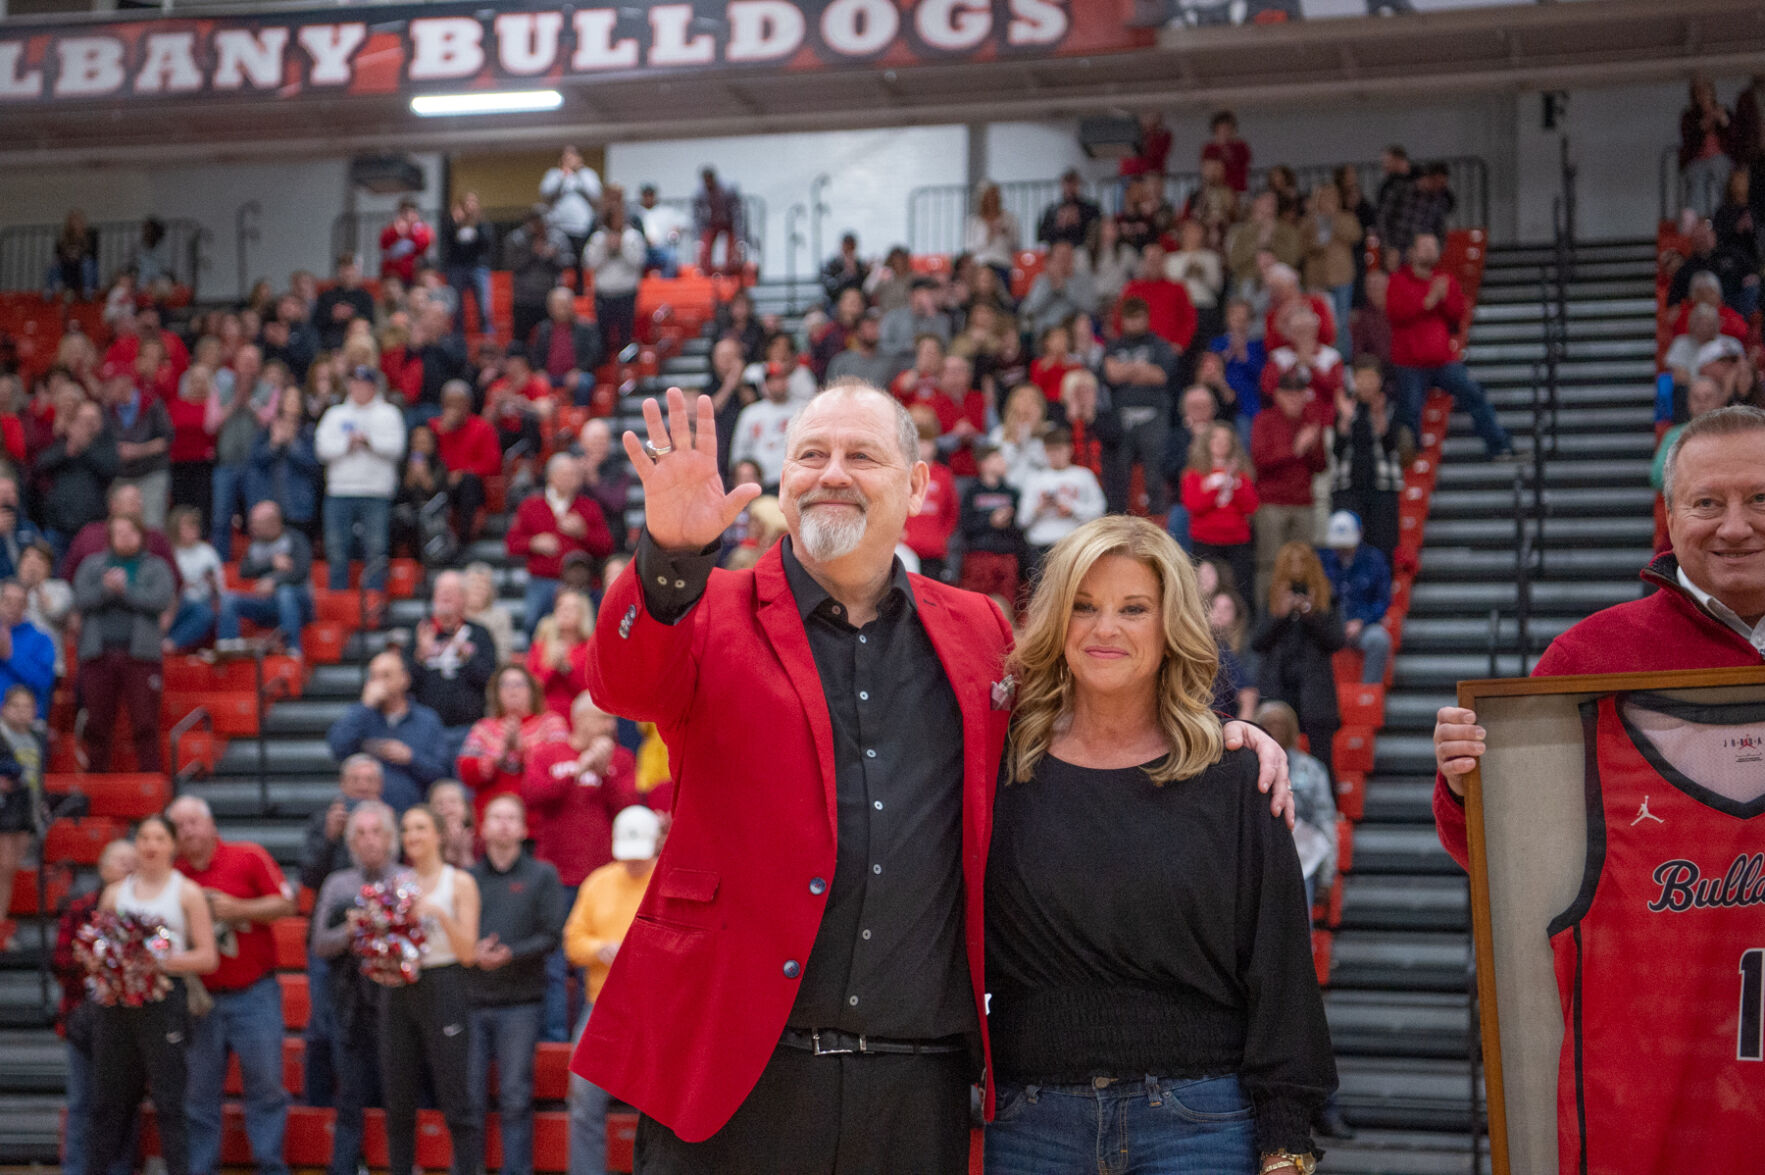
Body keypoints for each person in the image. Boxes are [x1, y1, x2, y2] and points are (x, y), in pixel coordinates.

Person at [575, 383, 1294, 1170]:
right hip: (732, 1069)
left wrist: (1207, 728)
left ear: (917, 486)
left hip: (916, 1084)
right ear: (782, 480)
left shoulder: (978, 626)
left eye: (861, 455)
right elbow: (623, 683)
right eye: (810, 454)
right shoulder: (705, 605)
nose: (832, 472)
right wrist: (667, 560)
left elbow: (1079, 714)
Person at [984, 515, 1332, 1175]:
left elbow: (1280, 965)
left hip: (1198, 1124)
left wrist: (1286, 1145)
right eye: (1083, 606)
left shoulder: (1236, 777)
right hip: (1026, 1124)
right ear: (1056, 621)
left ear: (1169, 625)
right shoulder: (997, 767)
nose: (1104, 627)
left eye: (1132, 608)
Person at [1432, 405, 1765, 869]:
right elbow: (1510, 864)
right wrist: (1465, 785)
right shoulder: (1586, 659)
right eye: (1706, 503)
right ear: (1669, 517)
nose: (1734, 527)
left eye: (1760, 499)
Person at [167, 795, 297, 1175]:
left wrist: (237, 910)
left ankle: (270, 1164)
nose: (188, 830)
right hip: (199, 998)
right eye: (180, 825)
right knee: (198, 1095)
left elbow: (285, 905)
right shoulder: (173, 876)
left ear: (211, 825)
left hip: (254, 993)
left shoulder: (248, 856)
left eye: (194, 821)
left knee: (267, 1087)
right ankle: (199, 1167)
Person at [86, 814, 219, 1175]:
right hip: (117, 1004)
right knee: (108, 1102)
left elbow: (207, 957)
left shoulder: (187, 892)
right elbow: (100, 949)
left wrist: (155, 962)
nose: (150, 845)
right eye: (144, 837)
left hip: (164, 1001)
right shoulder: (115, 892)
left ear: (172, 845)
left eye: (159, 838)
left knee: (170, 1103)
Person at [380, 804, 483, 1175]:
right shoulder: (395, 884)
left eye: (421, 827)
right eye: (407, 829)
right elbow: (386, 948)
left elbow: (469, 953)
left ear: (439, 835)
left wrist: (436, 913)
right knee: (398, 1103)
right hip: (399, 989)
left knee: (457, 1102)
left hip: (445, 985)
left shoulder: (459, 883)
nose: (413, 836)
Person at [467, 795, 566, 1175]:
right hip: (472, 1000)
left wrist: (510, 953)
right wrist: (471, 950)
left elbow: (551, 935)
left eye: (512, 818)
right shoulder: (468, 878)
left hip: (521, 1002)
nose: (505, 824)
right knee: (471, 1100)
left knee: (514, 1098)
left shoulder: (542, 875)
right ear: (484, 826)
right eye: (497, 817)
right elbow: (454, 933)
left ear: (524, 829)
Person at [309, 801, 407, 1175]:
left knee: (401, 1095)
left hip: (399, 1004)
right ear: (350, 843)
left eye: (376, 832)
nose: (369, 841)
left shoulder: (407, 881)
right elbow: (320, 943)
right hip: (350, 1005)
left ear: (391, 838)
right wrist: (352, 931)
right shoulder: (338, 884)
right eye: (360, 833)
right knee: (349, 1097)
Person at [564, 805, 663, 1175]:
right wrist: (598, 949)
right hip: (602, 1004)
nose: (634, 863)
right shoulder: (598, 882)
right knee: (583, 1098)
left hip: (656, 1008)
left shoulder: (667, 880)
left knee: (658, 1105)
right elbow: (573, 941)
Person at [1386, 233, 1513, 456]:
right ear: (1412, 252)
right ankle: (1410, 458)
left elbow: (1456, 314)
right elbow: (1396, 314)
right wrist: (1429, 300)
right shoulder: (1398, 281)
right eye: (1424, 246)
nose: (1430, 251)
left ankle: (1499, 445)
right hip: (1410, 362)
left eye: (1433, 246)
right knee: (1410, 411)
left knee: (1474, 396)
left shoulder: (1445, 279)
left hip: (1442, 360)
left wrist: (1442, 298)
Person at [55, 837, 139, 1175]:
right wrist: (98, 966)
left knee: (123, 1106)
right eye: (120, 860)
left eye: (133, 860)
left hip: (133, 1021)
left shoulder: (147, 910)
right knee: (82, 1103)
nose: (128, 866)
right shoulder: (82, 908)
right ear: (102, 867)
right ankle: (75, 1169)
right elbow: (61, 962)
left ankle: (118, 1169)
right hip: (86, 1019)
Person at [74, 515, 174, 772]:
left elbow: (160, 600)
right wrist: (106, 590)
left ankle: (151, 784)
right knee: (97, 725)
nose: (125, 537)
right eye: (118, 533)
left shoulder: (156, 566)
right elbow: (81, 599)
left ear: (141, 535)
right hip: (98, 654)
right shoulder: (92, 565)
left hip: (140, 655)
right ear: (109, 537)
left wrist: (124, 590)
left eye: (130, 532)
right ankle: (96, 790)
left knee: (145, 723)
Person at [1253, 542, 1346, 773]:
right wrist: (1281, 617)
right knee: (1271, 760)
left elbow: (1336, 641)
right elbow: (1258, 643)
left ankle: (1327, 807)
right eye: (1290, 563)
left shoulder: (1326, 597)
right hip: (1279, 687)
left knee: (1323, 762)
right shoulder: (1273, 597)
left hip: (1315, 693)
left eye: (1302, 562)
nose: (1296, 568)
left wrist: (1311, 616)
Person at [314, 364, 405, 591]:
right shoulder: (335, 414)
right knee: (336, 548)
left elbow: (397, 447)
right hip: (339, 491)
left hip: (376, 491)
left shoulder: (388, 413)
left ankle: (375, 600)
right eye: (355, 383)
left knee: (376, 548)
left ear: (374, 386)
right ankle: (338, 601)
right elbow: (321, 448)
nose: (359, 388)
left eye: (364, 384)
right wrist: (347, 444)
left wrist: (368, 442)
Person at [326, 651, 449, 812]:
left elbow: (442, 772)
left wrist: (411, 758)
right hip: (364, 817)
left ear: (404, 679)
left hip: (410, 814)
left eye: (386, 676)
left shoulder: (427, 720)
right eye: (374, 677)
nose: (379, 683)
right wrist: (365, 707)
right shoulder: (360, 715)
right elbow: (337, 747)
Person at [507, 453, 615, 637]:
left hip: (580, 583)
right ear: (551, 476)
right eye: (565, 474)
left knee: (588, 631)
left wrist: (583, 533)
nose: (571, 479)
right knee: (533, 627)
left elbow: (607, 546)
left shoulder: (588, 506)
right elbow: (511, 544)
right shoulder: (531, 505)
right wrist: (533, 543)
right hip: (543, 580)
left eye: (574, 474)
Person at [457, 663, 570, 825]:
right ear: (497, 693)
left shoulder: (551, 722)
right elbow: (466, 771)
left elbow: (560, 767)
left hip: (539, 819)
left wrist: (521, 748)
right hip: (491, 819)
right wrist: (499, 756)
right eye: (505, 685)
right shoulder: (484, 727)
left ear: (532, 690)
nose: (512, 690)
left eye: (519, 684)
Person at [405, 571, 499, 762]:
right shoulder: (419, 632)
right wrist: (421, 656)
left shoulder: (479, 634)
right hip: (427, 731)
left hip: (469, 729)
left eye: (452, 591)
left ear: (464, 598)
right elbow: (404, 684)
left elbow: (492, 681)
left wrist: (467, 658)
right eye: (441, 591)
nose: (445, 596)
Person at [1251, 372, 1328, 601]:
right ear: (1278, 395)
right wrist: (1295, 449)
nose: (1295, 398)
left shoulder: (1310, 422)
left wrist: (1312, 447)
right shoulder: (1264, 420)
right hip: (1271, 504)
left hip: (1303, 502)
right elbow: (1260, 460)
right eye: (1289, 393)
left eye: (1299, 393)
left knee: (1305, 564)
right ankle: (1268, 615)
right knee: (1270, 563)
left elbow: (1321, 465)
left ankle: (1303, 614)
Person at [1329, 357, 1413, 565]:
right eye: (1361, 378)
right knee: (1348, 547)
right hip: (1348, 488)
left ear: (1380, 380)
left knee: (1383, 547)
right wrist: (1345, 421)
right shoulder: (1344, 408)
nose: (1366, 383)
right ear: (1354, 380)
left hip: (1382, 488)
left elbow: (1394, 448)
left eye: (1371, 378)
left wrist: (1380, 421)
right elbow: (1336, 451)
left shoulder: (1392, 407)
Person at [1101, 296, 1180, 515]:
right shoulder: (1114, 345)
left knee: (1155, 475)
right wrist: (1142, 369)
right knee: (1119, 477)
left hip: (1153, 414)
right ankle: (1118, 522)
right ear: (1122, 320)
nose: (1134, 323)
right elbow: (1110, 374)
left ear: (1146, 318)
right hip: (1121, 417)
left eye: (1138, 318)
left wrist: (1126, 370)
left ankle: (1157, 523)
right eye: (1130, 318)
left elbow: (1161, 376)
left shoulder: (1159, 345)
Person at [215, 501, 313, 657]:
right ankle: (228, 647)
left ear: (274, 522)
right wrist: (271, 563)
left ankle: (292, 649)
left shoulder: (295, 540)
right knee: (229, 599)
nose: (253, 528)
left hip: (298, 605)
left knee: (285, 592)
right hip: (267, 604)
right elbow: (244, 570)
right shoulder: (256, 545)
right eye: (252, 523)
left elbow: (300, 572)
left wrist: (275, 582)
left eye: (257, 524)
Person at [1181, 422, 1260, 601]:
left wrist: (1233, 483)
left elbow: (1251, 506)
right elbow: (1194, 505)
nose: (1222, 443)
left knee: (1242, 590)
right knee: (1204, 590)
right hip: (1205, 540)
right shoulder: (1193, 473)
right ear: (1207, 442)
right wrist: (1218, 486)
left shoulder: (1242, 474)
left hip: (1237, 541)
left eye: (1226, 439)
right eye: (1217, 438)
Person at [37, 399, 119, 558]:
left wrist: (85, 448)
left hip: (92, 525)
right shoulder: (63, 444)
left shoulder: (106, 444)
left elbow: (109, 469)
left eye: (93, 419)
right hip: (59, 525)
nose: (87, 425)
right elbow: (41, 465)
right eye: (83, 420)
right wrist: (69, 449)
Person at [1319, 511, 1393, 686]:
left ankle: (1368, 693)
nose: (1342, 550)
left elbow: (1382, 600)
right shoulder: (1322, 560)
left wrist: (1362, 621)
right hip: (1328, 627)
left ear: (1359, 535)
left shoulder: (1374, 559)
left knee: (1379, 640)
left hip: (1362, 625)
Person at [1017, 426, 1107, 566]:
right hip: (1041, 546)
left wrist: (1072, 508)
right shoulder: (1034, 479)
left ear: (1069, 449)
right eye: (1050, 451)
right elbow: (1021, 520)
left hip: (1073, 543)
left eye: (1059, 449)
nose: (1055, 455)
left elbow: (1100, 512)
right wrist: (1039, 508)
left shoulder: (1083, 475)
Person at [431, 380, 501, 546]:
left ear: (468, 404)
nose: (454, 407)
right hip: (440, 482)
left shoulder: (482, 428)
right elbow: (427, 458)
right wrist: (442, 433)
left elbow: (492, 463)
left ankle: (463, 540)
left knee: (468, 483)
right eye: (449, 403)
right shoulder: (433, 427)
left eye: (458, 402)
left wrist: (463, 472)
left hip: (471, 487)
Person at [957, 444, 1024, 602]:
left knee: (1007, 603)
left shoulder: (1011, 492)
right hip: (979, 555)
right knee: (977, 603)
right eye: (996, 458)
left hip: (1007, 555)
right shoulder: (971, 492)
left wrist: (1007, 522)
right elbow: (965, 525)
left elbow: (1021, 526)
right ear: (984, 464)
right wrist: (990, 521)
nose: (1002, 462)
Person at [586, 188, 647, 359]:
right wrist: (606, 248)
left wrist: (622, 247)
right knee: (603, 333)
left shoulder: (633, 237)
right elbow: (590, 263)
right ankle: (603, 362)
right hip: (604, 293)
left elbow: (639, 261)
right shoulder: (598, 238)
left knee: (626, 334)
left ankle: (627, 363)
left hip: (627, 292)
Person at [506, 205, 575, 348]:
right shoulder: (516, 238)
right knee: (521, 341)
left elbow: (570, 260)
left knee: (549, 340)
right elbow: (511, 264)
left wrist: (553, 256)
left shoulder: (557, 237)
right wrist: (532, 254)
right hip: (524, 298)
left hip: (550, 298)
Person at [728, 362, 803, 490]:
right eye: (772, 380)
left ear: (788, 381)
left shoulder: (802, 409)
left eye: (781, 379)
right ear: (764, 384)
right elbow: (739, 453)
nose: (777, 384)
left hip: (793, 483)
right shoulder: (751, 413)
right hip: (760, 484)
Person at [542, 146, 603, 291]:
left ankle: (580, 289)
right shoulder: (554, 174)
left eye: (572, 157)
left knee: (580, 260)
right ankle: (559, 288)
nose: (569, 160)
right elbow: (546, 193)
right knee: (558, 259)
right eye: (566, 157)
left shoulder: (588, 174)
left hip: (581, 226)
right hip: (559, 226)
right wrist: (562, 177)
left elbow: (595, 195)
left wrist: (579, 174)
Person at [533, 287, 606, 408]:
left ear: (572, 305)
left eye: (565, 305)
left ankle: (578, 416)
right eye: (558, 305)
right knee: (535, 384)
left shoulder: (587, 327)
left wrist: (579, 370)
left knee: (584, 382)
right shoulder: (543, 329)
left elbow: (595, 353)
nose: (562, 309)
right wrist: (540, 371)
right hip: (549, 376)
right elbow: (535, 354)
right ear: (550, 308)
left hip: (577, 374)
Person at [441, 191, 497, 334]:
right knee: (457, 308)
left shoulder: (482, 224)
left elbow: (487, 244)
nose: (470, 206)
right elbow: (447, 244)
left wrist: (475, 226)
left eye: (473, 202)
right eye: (467, 203)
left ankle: (487, 337)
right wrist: (455, 223)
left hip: (478, 267)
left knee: (484, 307)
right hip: (457, 267)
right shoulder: (454, 224)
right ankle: (458, 339)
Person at [1680, 76, 1736, 217]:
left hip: (1720, 157)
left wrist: (1724, 121)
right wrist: (1701, 127)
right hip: (1697, 159)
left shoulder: (1723, 111)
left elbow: (1735, 137)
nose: (1704, 97)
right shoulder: (1690, 116)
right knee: (1697, 181)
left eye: (1706, 92)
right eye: (1700, 93)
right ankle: (1693, 217)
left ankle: (1728, 213)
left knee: (1721, 170)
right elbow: (1688, 140)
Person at [1019, 241, 1098, 339]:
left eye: (1068, 256)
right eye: (1060, 256)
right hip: (1045, 333)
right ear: (1051, 259)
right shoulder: (1042, 280)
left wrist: (1064, 287)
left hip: (1072, 333)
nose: (1064, 260)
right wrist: (1051, 287)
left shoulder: (1083, 279)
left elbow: (1091, 307)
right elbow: (1030, 309)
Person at [0, 580, 56, 718]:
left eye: (19, 602)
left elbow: (44, 681)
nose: (13, 607)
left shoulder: (41, 639)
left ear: (26, 606)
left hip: (22, 723)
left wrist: (10, 656)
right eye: (7, 601)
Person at [965, 181, 1020, 285]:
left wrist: (1006, 233)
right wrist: (988, 236)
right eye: (988, 196)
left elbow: (1016, 244)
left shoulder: (1010, 219)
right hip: (981, 263)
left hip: (1003, 263)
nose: (992, 199)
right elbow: (969, 247)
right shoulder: (974, 221)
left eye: (994, 195)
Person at [464, 561, 517, 665]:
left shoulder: (500, 616)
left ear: (491, 589)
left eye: (483, 583)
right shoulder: (456, 615)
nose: (478, 587)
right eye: (473, 582)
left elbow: (503, 656)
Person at [1035, 169, 1101, 249]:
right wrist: (1059, 225)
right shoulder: (1052, 210)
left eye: (1073, 184)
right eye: (1067, 184)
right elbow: (1042, 236)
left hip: (1082, 250)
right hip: (1057, 250)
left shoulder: (1090, 209)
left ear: (1079, 185)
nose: (1069, 188)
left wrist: (1078, 221)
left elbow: (1096, 233)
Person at [378, 199, 433, 286]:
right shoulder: (391, 228)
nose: (408, 216)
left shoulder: (421, 229)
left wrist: (412, 231)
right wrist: (397, 231)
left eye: (411, 213)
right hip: (393, 274)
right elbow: (384, 245)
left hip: (413, 274)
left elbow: (423, 246)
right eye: (405, 213)